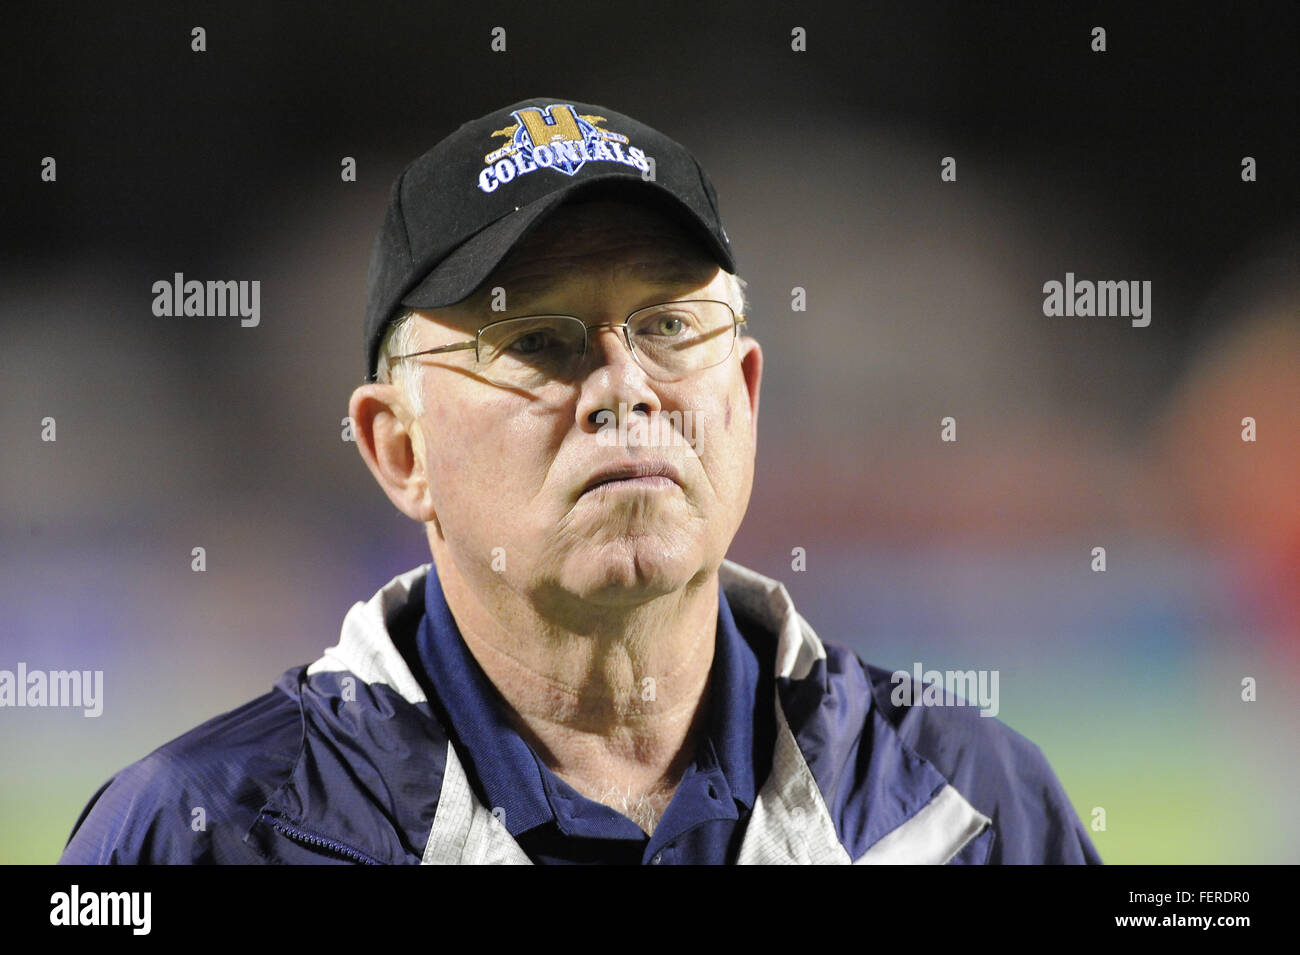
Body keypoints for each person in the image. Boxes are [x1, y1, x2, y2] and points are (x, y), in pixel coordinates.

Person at [59, 98, 1101, 864]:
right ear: (397, 449)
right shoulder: (198, 836)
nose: (622, 387)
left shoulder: (975, 808)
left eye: (667, 327)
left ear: (742, 391)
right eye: (539, 339)